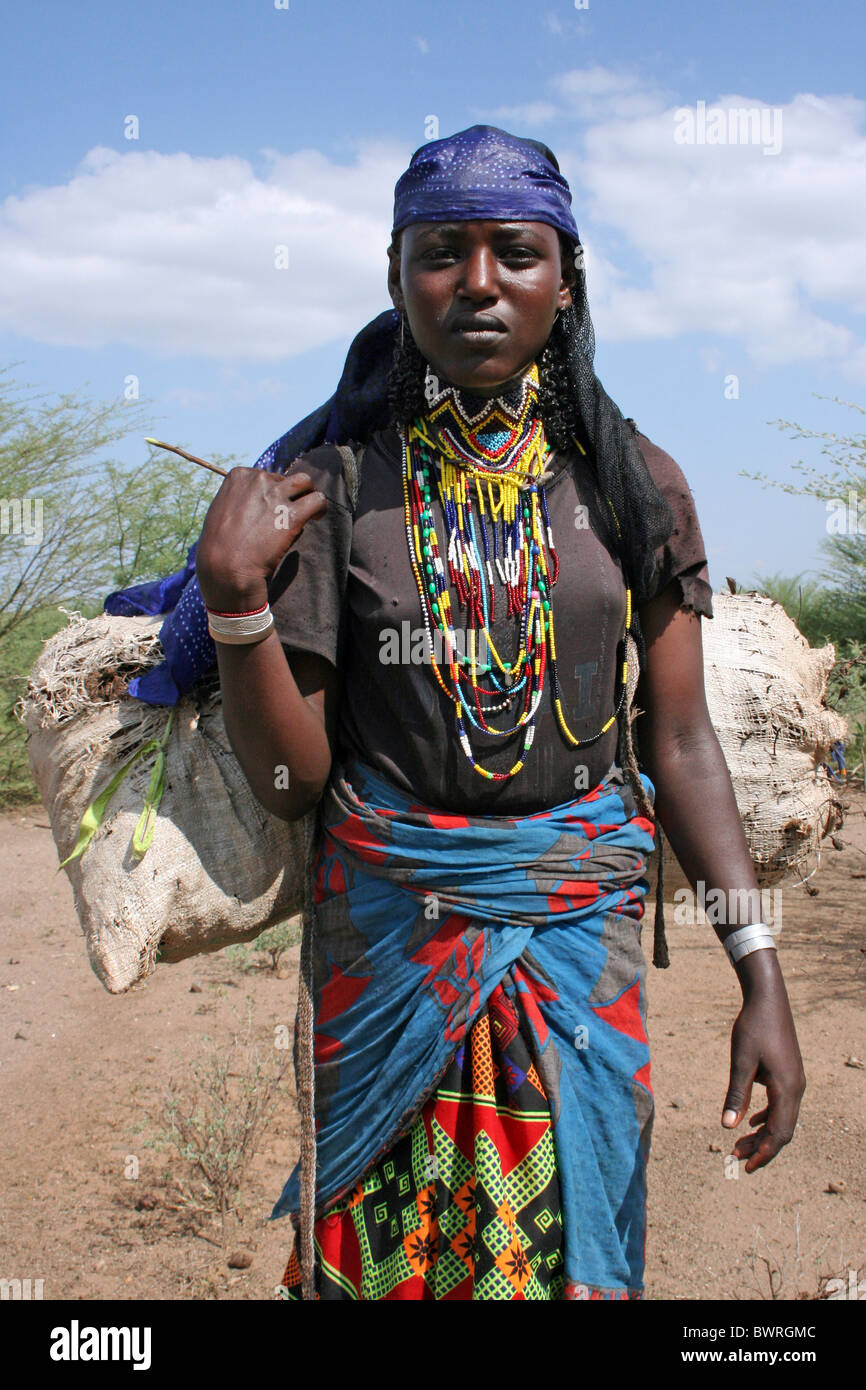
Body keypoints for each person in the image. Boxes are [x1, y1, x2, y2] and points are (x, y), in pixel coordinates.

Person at [190, 126, 806, 1301]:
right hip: (388, 932)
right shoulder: (336, 488)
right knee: (383, 1262)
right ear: (394, 275)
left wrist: (758, 968)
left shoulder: (632, 480)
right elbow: (294, 785)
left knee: (572, 1239)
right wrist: (234, 607)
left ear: (562, 281)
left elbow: (677, 743)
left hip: (578, 928)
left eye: (513, 252)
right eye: (441, 252)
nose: (476, 282)